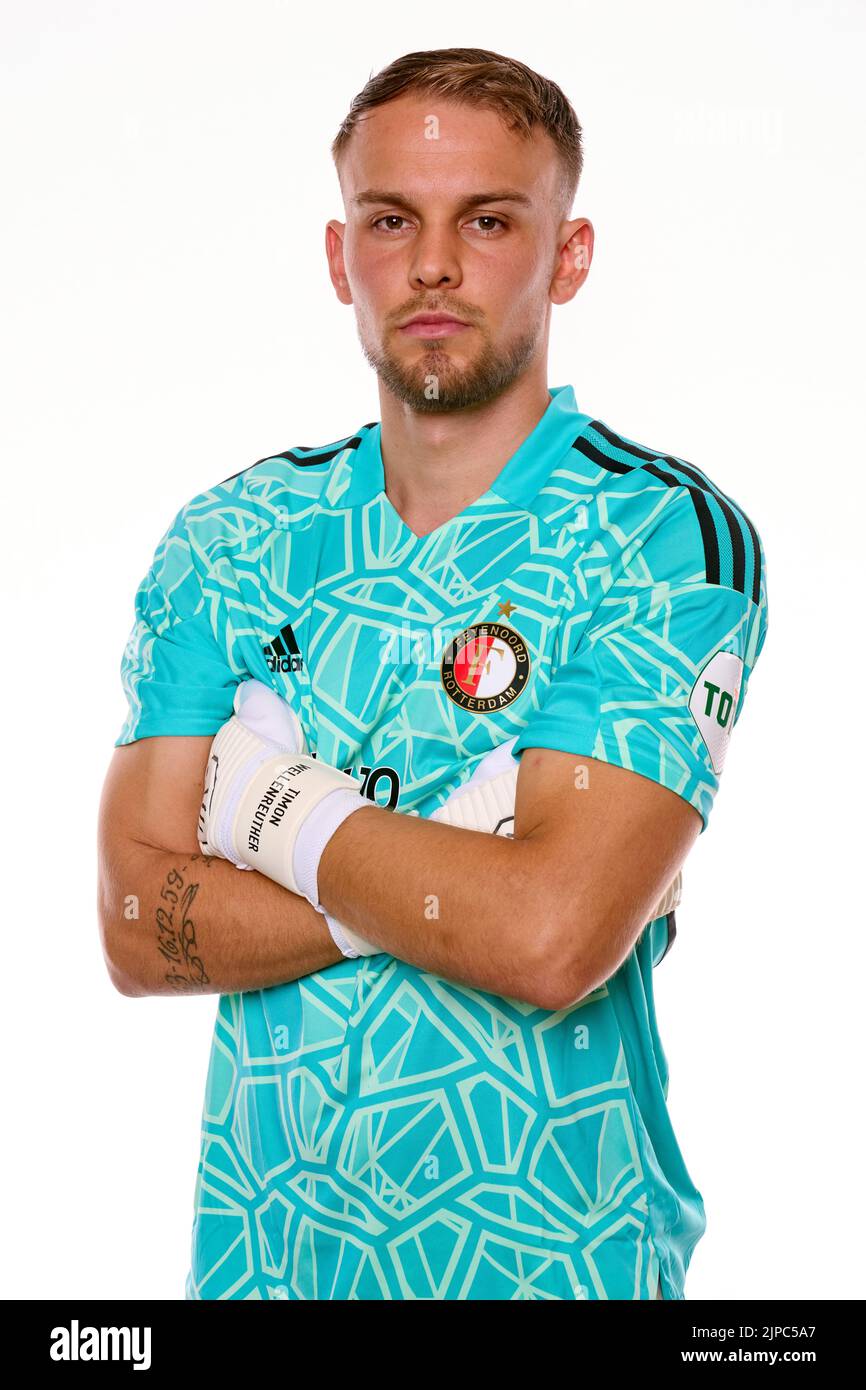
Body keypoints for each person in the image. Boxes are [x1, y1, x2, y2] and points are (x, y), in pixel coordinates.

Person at [97, 46, 768, 1302]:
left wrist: (264, 814)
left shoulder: (661, 535)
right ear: (340, 255)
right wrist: (465, 867)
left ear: (566, 255)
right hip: (264, 1271)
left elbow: (552, 940)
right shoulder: (230, 540)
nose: (434, 265)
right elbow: (136, 929)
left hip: (560, 1267)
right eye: (391, 219)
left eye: (489, 220)